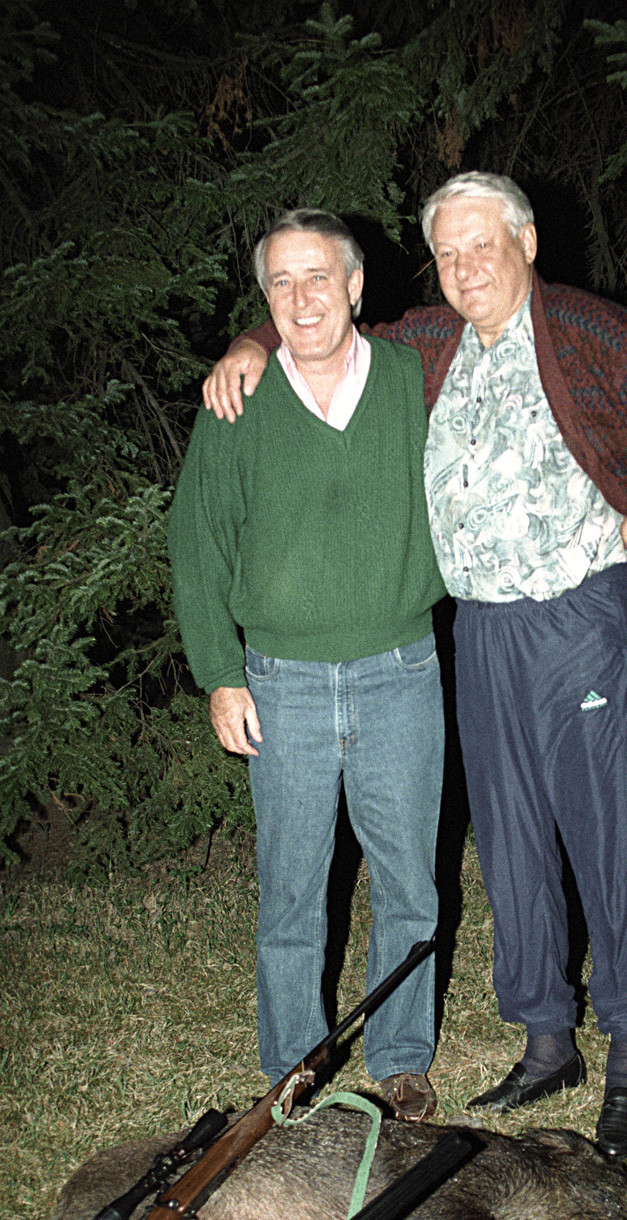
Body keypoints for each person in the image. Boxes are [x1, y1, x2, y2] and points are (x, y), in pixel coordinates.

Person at [202, 173, 627, 1160]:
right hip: (482, 629)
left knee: (617, 830)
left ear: (528, 240)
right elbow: (325, 336)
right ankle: (548, 1036)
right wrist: (250, 343)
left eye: (481, 247)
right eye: (447, 254)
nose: (463, 270)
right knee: (510, 836)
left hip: (588, 615)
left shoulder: (589, 331)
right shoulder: (434, 343)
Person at [169, 209, 446, 1122]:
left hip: (400, 670)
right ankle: (294, 1064)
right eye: (280, 283)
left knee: (408, 879)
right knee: (293, 888)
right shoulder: (235, 407)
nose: (300, 298)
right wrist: (219, 672)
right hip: (280, 683)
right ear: (265, 299)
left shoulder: (414, 380)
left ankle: (403, 1056)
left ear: (357, 286)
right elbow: (197, 545)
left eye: (318, 276)